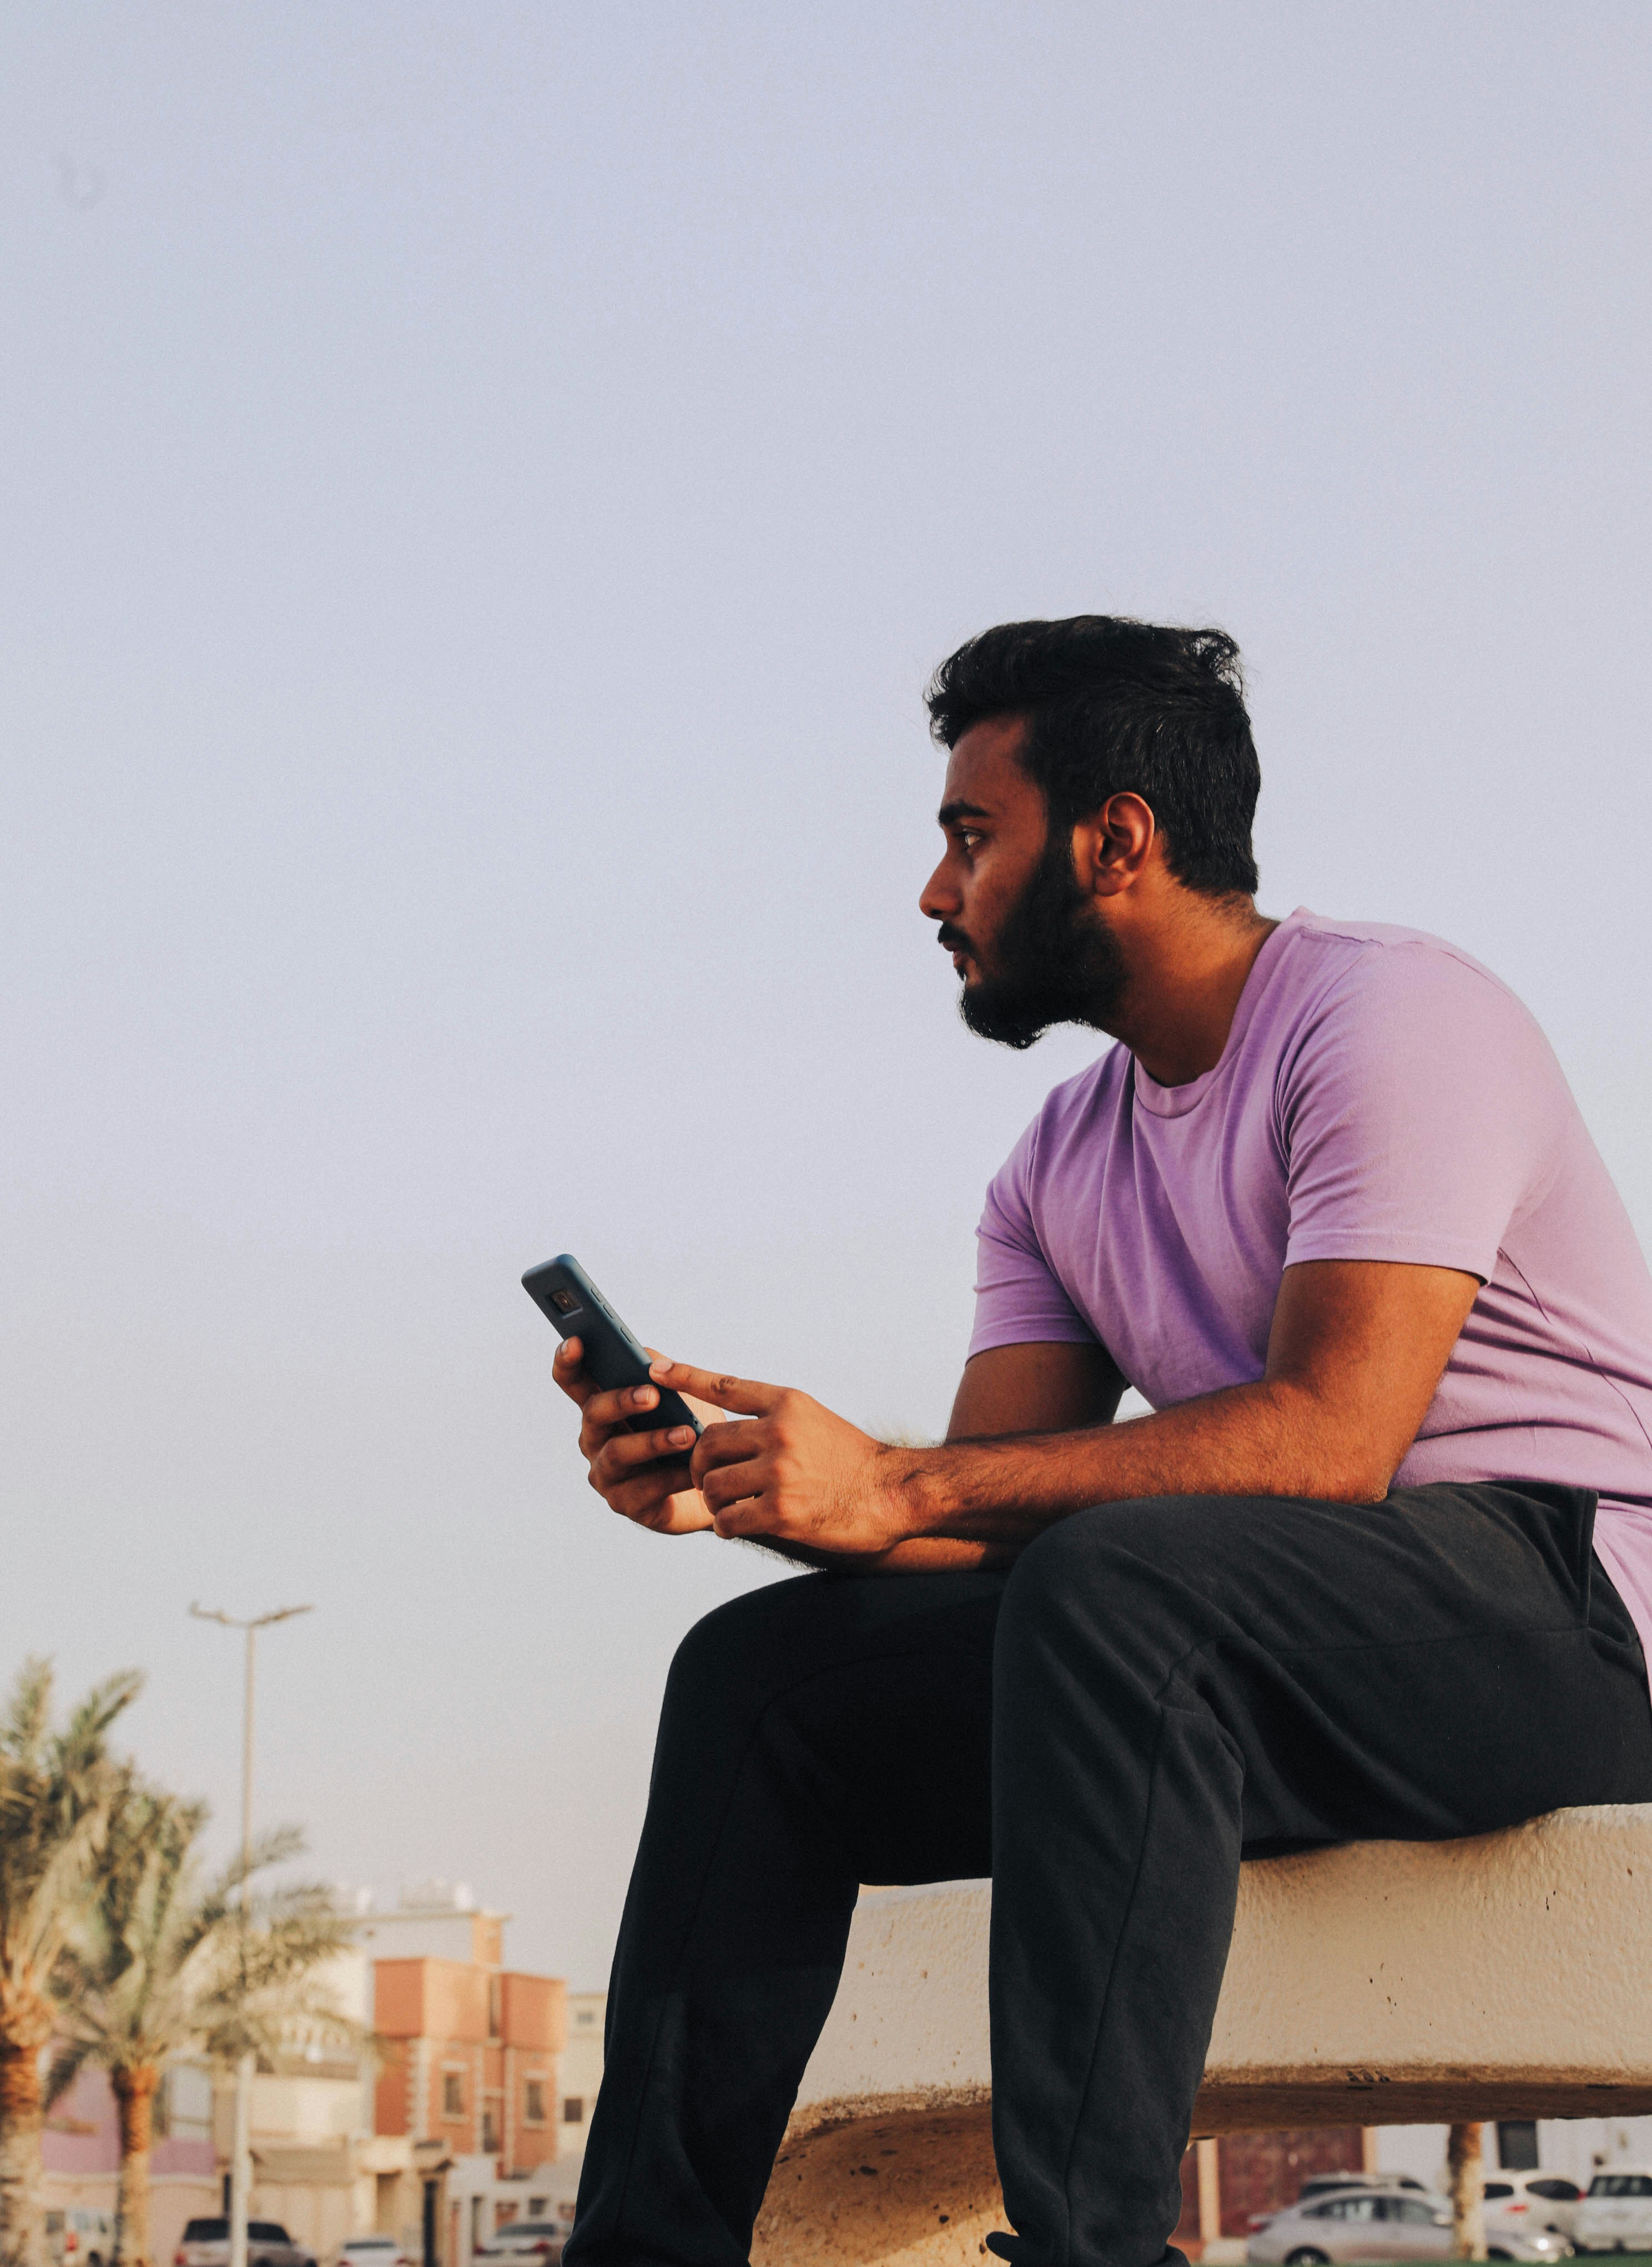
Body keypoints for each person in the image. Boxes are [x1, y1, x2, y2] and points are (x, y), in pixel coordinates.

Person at [553, 616, 1652, 2267]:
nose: (937, 895)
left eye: (970, 838)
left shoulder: (1393, 1021)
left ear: (1116, 840)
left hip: (1569, 1611)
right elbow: (968, 1526)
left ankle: (1093, 2253)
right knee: (760, 1679)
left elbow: (1335, 1436)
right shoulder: (1057, 1162)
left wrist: (909, 1478)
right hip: (1257, 1654)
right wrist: (767, 1486)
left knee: (1115, 1583)